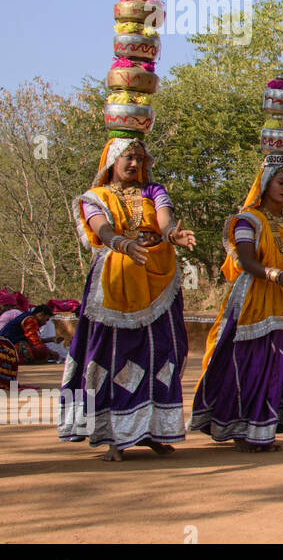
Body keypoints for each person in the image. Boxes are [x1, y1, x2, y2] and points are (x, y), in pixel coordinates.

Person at [58, 138, 196, 461]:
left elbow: (164, 219)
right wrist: (121, 243)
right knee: (111, 356)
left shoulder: (153, 191)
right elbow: (102, 230)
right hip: (114, 284)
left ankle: (153, 431)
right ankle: (114, 437)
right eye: (128, 157)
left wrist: (170, 234)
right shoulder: (96, 197)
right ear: (111, 160)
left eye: (139, 157)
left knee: (160, 354)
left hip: (157, 281)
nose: (135, 163)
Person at [191, 156, 283, 451]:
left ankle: (261, 428)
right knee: (247, 361)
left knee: (275, 362)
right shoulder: (248, 220)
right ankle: (238, 427)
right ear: (265, 184)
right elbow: (247, 259)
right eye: (281, 182)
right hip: (254, 297)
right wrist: (274, 274)